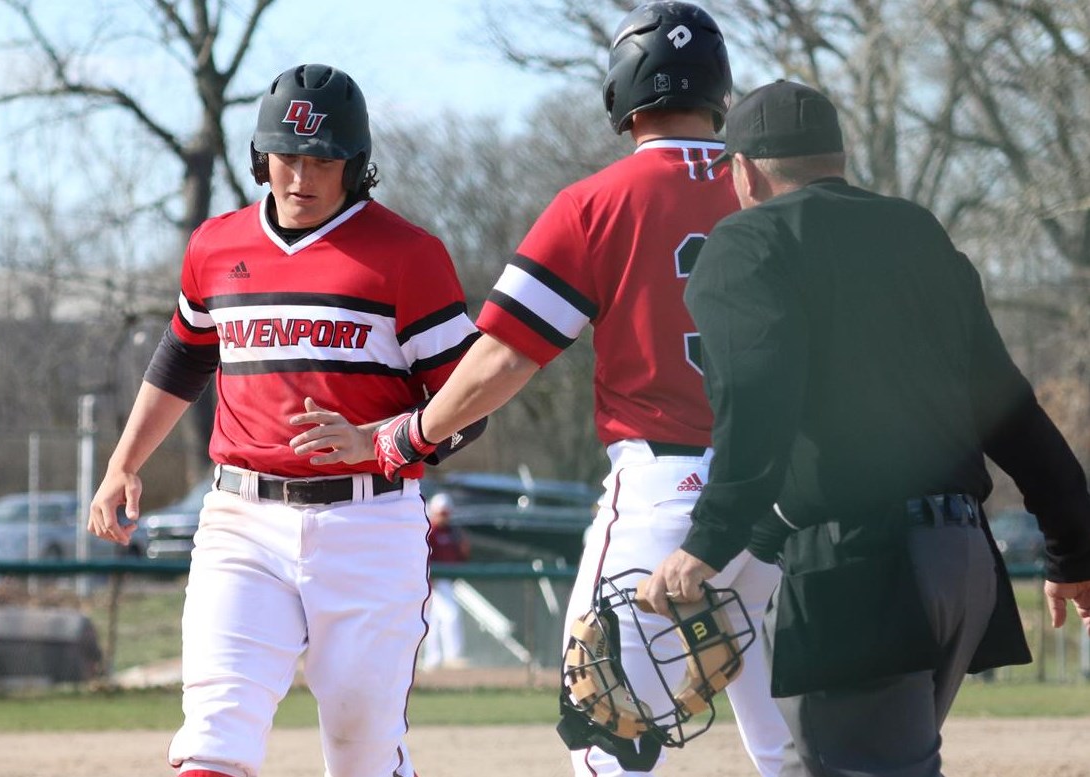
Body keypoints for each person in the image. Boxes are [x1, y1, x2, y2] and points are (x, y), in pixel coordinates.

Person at [363, 5, 790, 775]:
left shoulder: (597, 201)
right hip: (788, 493)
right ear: (721, 89)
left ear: (623, 90)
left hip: (665, 494)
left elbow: (503, 358)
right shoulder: (776, 190)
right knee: (798, 750)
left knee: (607, 736)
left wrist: (413, 432)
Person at [637, 80, 1090, 776]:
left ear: (745, 171)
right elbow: (1009, 408)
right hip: (961, 564)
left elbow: (756, 403)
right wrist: (1072, 545)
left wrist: (708, 541)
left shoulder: (748, 240)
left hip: (865, 573)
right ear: (838, 158)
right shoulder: (915, 231)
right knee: (821, 762)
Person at [88, 63, 485, 777]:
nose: (301, 176)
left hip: (369, 524)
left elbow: (471, 401)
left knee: (363, 752)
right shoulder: (216, 245)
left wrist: (383, 439)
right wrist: (123, 463)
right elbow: (182, 360)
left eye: (322, 160)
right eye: (287, 157)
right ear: (260, 157)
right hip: (241, 518)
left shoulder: (407, 255)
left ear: (355, 166)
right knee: (213, 735)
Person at [422, 492, 470, 671]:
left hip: (448, 581)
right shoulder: (430, 531)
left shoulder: (452, 532)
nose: (445, 517)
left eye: (446, 513)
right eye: (442, 513)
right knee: (449, 616)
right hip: (434, 582)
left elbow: (461, 558)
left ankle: (434, 660)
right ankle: (450, 656)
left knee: (436, 621)